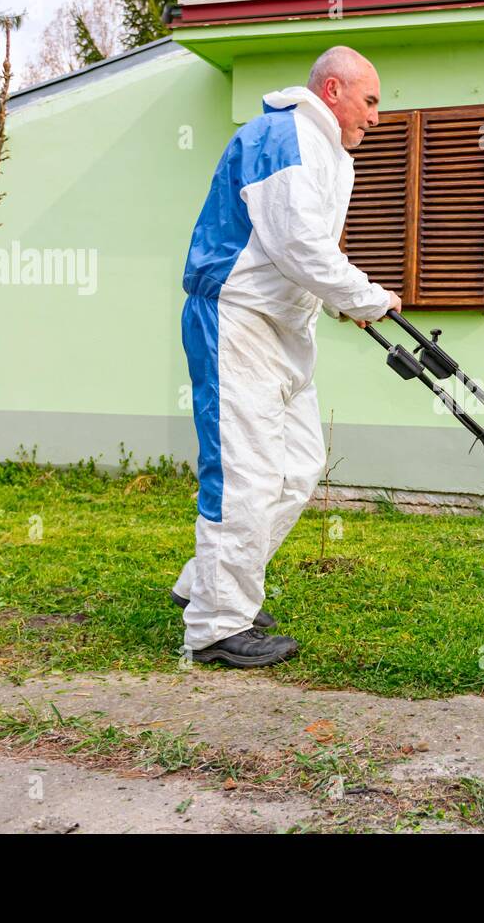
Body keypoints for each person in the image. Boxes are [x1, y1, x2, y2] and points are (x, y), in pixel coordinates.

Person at [170, 46, 401, 668]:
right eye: (370, 101)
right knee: (244, 472)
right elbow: (298, 244)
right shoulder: (283, 137)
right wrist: (366, 296)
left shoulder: (328, 152)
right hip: (236, 320)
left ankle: (209, 584)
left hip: (284, 327)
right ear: (333, 90)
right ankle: (216, 627)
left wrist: (338, 302)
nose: (375, 117)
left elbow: (301, 251)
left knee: (298, 466)